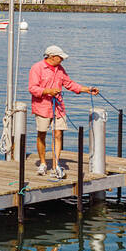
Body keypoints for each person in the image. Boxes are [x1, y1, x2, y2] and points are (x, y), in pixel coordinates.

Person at [28, 45, 98, 179]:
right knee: (41, 134)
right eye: (60, 58)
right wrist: (48, 91)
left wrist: (88, 89)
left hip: (58, 107)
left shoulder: (60, 69)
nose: (62, 60)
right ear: (52, 57)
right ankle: (43, 163)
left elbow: (70, 84)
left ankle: (55, 165)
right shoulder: (37, 68)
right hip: (42, 107)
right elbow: (32, 88)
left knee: (58, 134)